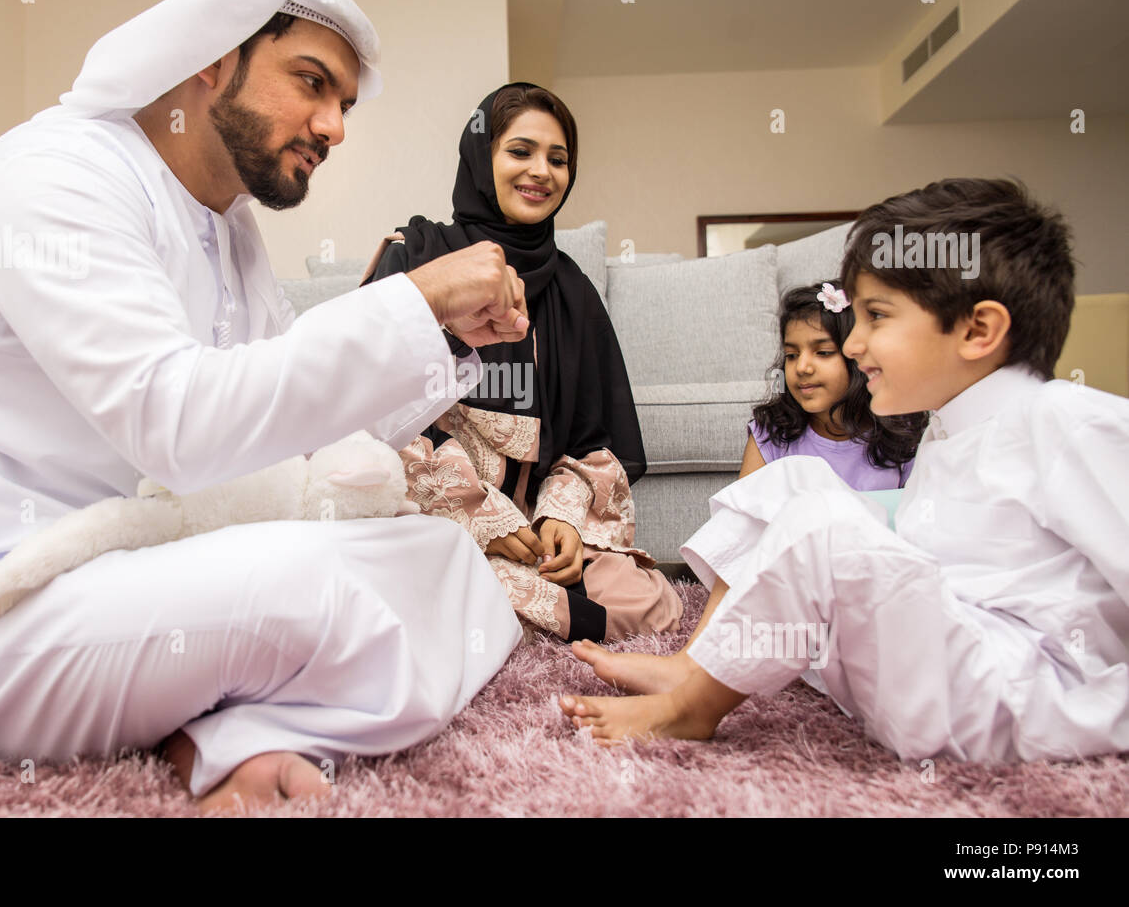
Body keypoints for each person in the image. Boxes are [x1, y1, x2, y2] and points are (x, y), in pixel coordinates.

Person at [0, 0, 529, 814]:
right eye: (311, 82)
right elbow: (178, 424)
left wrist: (438, 331)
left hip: (141, 568)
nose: (335, 125)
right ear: (214, 53)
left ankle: (215, 733)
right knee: (307, 587)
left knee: (444, 558)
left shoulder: (228, 228)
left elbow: (291, 429)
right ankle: (239, 720)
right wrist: (412, 296)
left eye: (343, 102)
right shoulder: (58, 176)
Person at [560, 177, 1129, 763]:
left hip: (1012, 697)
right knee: (792, 482)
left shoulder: (1064, 419)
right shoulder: (948, 431)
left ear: (978, 330)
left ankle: (692, 710)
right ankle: (694, 663)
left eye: (877, 317)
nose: (853, 344)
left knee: (822, 522)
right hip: (934, 667)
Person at [364, 83, 682, 645]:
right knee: (404, 564)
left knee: (649, 599)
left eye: (558, 159)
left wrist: (558, 518)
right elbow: (371, 410)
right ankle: (504, 607)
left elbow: (592, 441)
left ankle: (492, 613)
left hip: (530, 525)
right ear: (481, 159)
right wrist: (482, 518)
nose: (541, 171)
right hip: (429, 513)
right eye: (520, 151)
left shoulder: (571, 290)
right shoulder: (417, 255)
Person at [739, 280, 925, 488]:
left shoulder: (902, 432)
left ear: (861, 358)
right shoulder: (770, 432)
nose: (801, 367)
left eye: (823, 353)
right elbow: (740, 517)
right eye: (792, 355)